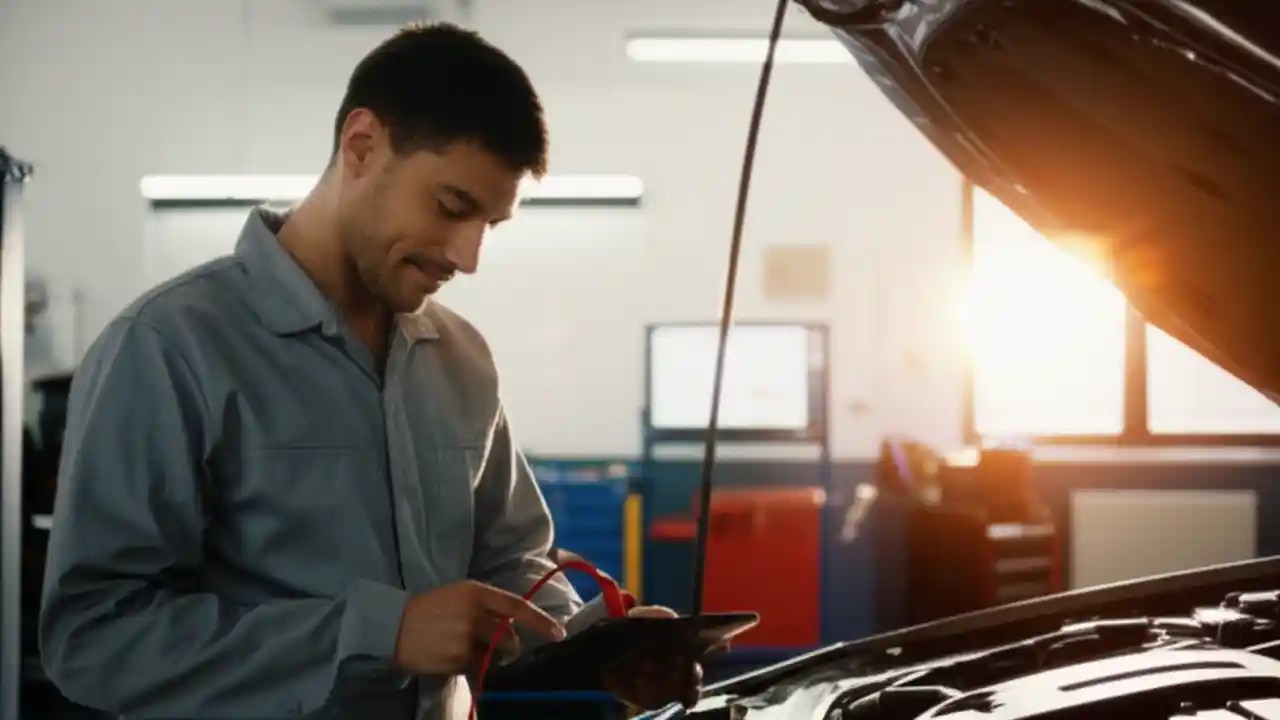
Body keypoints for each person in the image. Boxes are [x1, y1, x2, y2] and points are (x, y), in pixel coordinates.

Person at [40, 23, 700, 719]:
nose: (468, 257)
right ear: (361, 147)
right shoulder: (169, 347)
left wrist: (595, 645)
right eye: (451, 207)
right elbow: (95, 638)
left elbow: (511, 565)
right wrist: (379, 633)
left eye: (491, 226)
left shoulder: (461, 358)